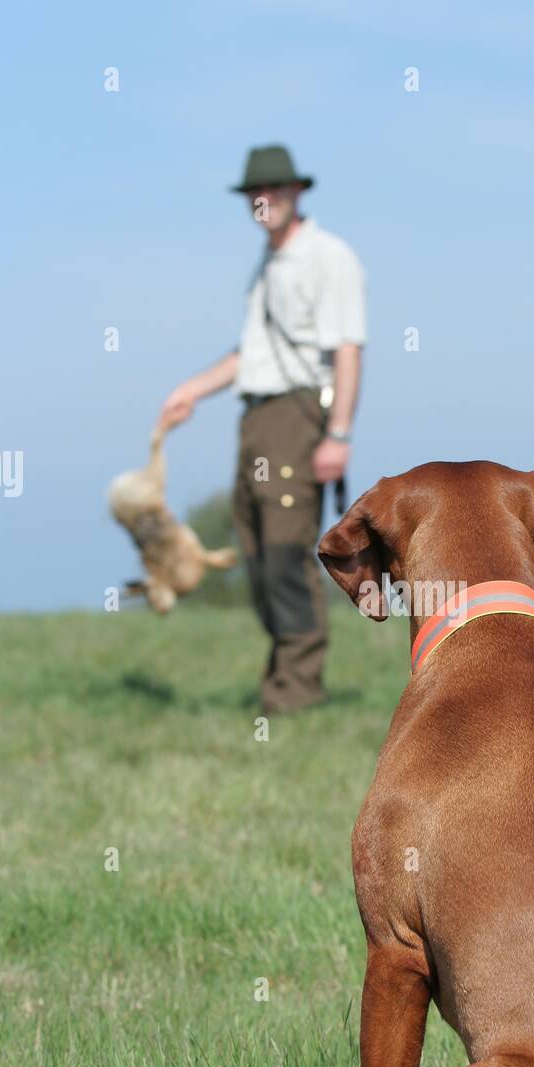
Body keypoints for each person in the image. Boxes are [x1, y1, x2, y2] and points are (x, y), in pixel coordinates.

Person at [158, 145, 367, 713]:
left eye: (273, 191)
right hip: (256, 417)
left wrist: (338, 434)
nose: (263, 200)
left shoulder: (329, 257)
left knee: (283, 551)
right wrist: (192, 389)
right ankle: (282, 680)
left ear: (297, 193)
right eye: (255, 193)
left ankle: (297, 692)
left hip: (297, 416)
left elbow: (347, 348)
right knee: (256, 550)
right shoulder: (266, 264)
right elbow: (248, 353)